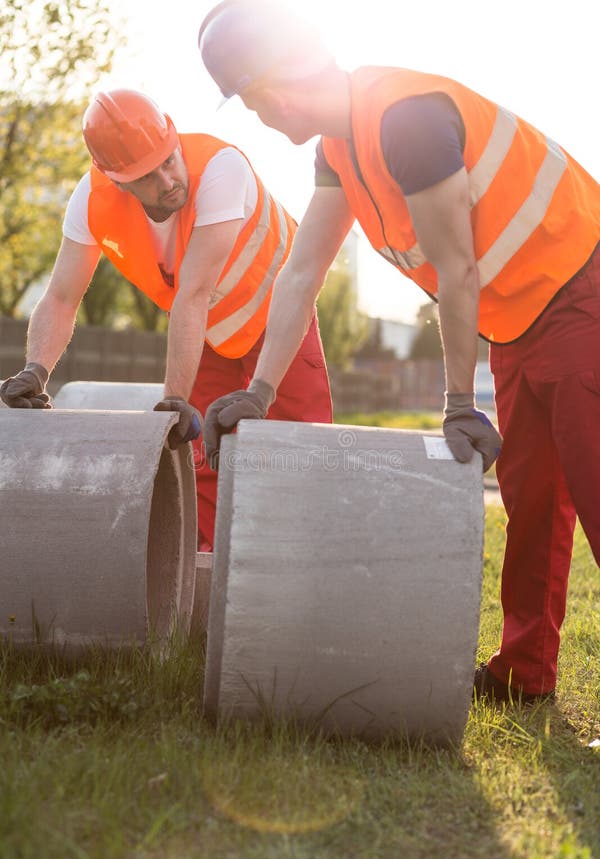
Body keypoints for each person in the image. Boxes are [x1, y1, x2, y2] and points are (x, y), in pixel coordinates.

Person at [198, 0, 600, 703]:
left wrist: (454, 403)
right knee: (531, 500)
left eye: (253, 104)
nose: (262, 117)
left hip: (582, 287)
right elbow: (301, 273)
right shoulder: (340, 146)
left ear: (270, 93)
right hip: (519, 320)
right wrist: (259, 391)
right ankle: (525, 673)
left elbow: (457, 267)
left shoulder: (403, 119)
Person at [0, 88, 332, 551]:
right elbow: (59, 297)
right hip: (206, 332)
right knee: (200, 457)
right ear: (115, 179)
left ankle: (301, 568)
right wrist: (36, 371)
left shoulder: (219, 168)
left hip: (277, 320)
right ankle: (203, 584)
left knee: (296, 452)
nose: (169, 179)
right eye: (148, 175)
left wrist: (174, 398)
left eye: (169, 160)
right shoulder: (90, 201)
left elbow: (194, 293)